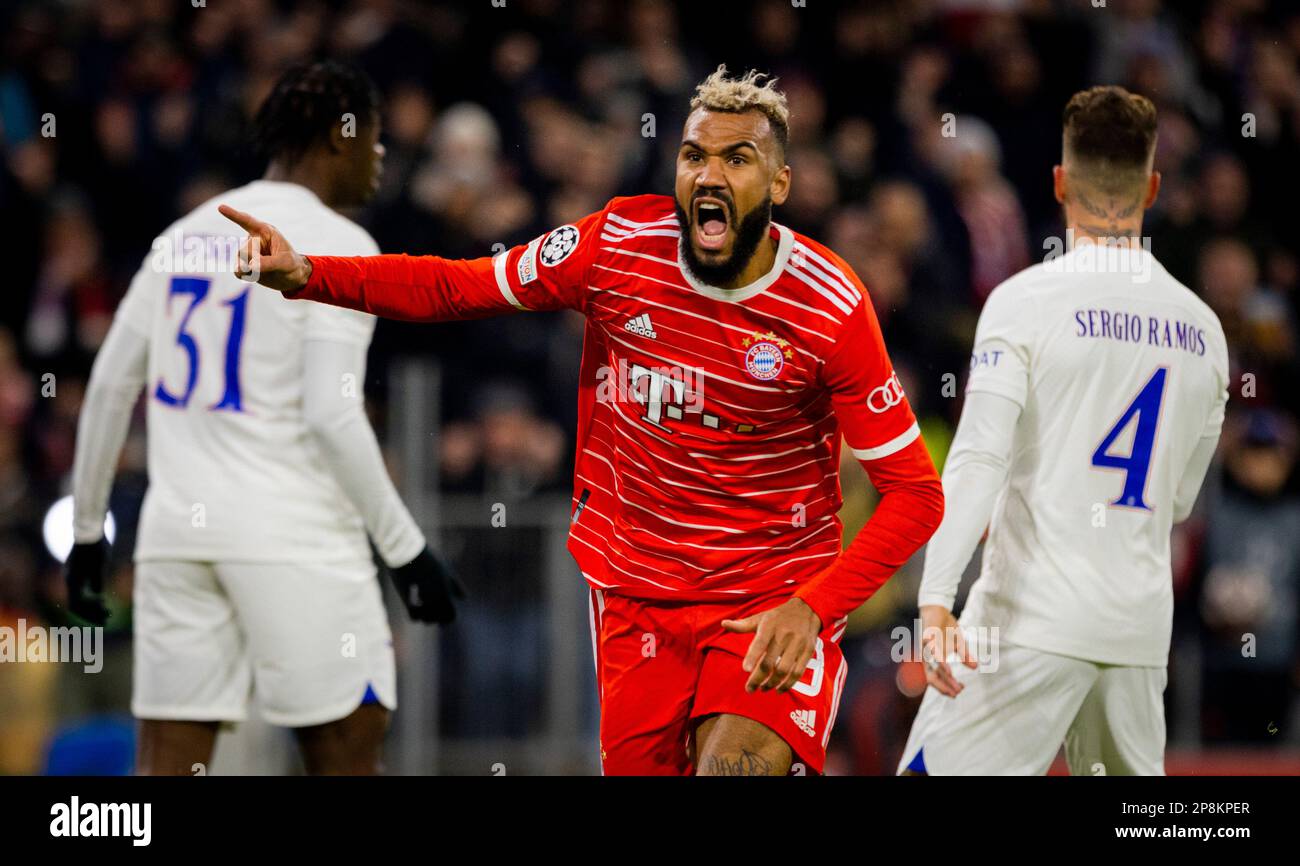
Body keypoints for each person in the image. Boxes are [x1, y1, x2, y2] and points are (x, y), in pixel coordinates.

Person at [222, 65, 944, 776]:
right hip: (636, 594)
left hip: (769, 599)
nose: (710, 174)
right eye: (694, 155)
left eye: (738, 158)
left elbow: (915, 492)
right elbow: (457, 285)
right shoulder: (616, 246)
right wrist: (311, 274)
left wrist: (812, 610)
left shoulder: (828, 307)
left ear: (779, 185)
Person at [65, 61, 462, 776]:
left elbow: (108, 388)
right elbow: (330, 413)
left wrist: (89, 534)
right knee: (345, 754)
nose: (378, 158)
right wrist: (404, 548)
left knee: (164, 770)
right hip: (293, 537)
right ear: (337, 138)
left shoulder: (183, 235)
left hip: (175, 540)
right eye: (371, 140)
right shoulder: (339, 242)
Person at [899, 86, 1229, 776]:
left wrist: (935, 598)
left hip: (1028, 622)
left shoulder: (1024, 302)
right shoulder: (1204, 330)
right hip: (1137, 635)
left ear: (1058, 183)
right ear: (1154, 187)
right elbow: (1178, 501)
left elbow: (980, 458)